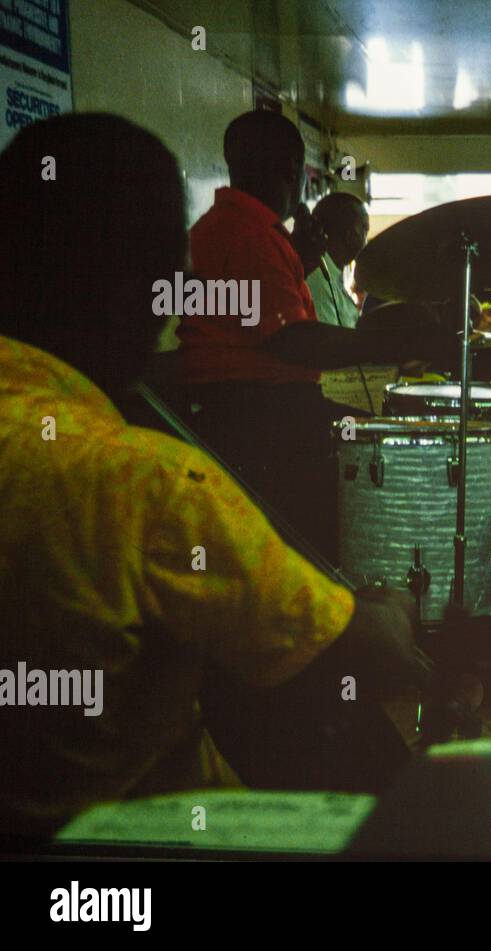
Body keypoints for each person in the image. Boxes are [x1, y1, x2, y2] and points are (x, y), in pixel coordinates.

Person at [0, 114, 442, 836]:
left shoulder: (242, 236)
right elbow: (368, 654)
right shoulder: (147, 484)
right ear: (155, 284)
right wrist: (392, 606)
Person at [177, 111, 458, 563]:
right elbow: (294, 342)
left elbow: (242, 318)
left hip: (221, 407)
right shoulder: (254, 238)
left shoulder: (211, 228)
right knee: (389, 454)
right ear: (292, 169)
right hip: (263, 416)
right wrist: (405, 342)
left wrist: (301, 263)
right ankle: (343, 592)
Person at [306, 192, 369, 329]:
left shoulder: (332, 276)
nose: (366, 240)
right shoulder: (319, 282)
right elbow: (329, 346)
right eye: (364, 230)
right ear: (350, 235)